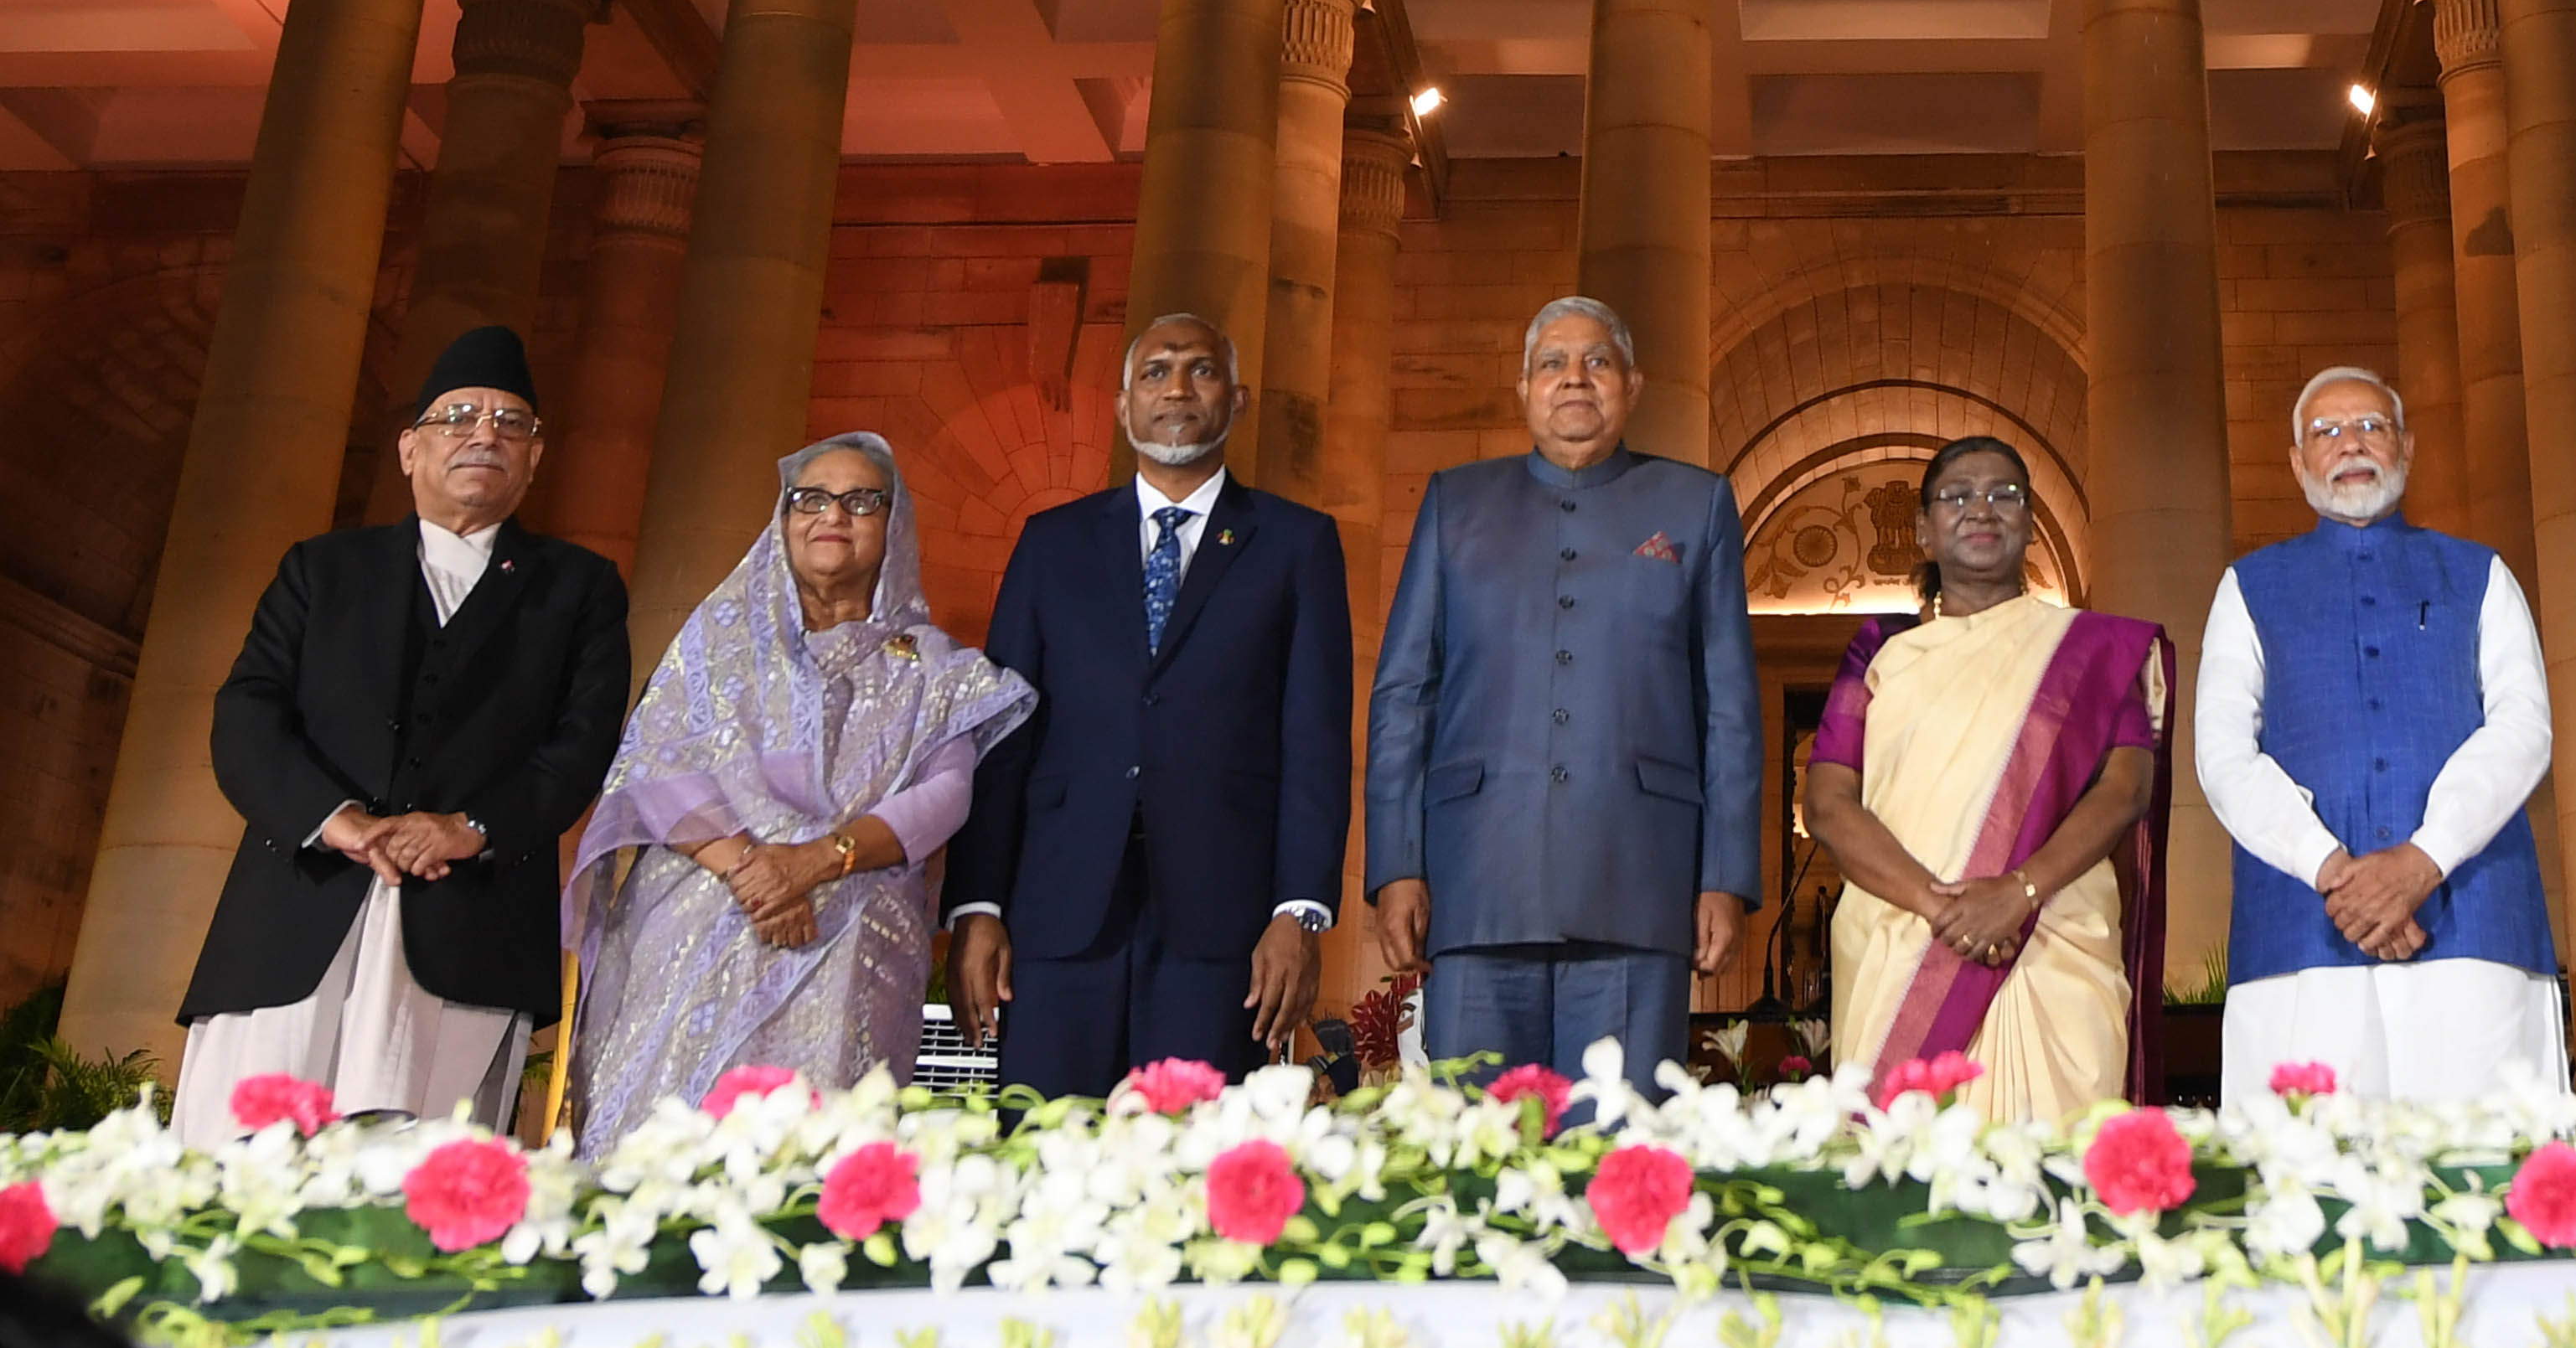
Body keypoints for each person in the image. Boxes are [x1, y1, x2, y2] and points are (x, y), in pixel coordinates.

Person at [173, 326, 630, 1138]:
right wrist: (335, 819)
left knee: (416, 1194)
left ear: (535, 458)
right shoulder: (321, 569)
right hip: (293, 915)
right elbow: (247, 714)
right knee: (235, 1172)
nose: (486, 432)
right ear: (409, 449)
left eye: (511, 422)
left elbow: (582, 744)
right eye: (459, 415)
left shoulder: (581, 589)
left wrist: (469, 827)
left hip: (470, 923)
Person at [561, 436, 1035, 1149]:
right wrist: (753, 873)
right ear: (782, 520)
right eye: (809, 499)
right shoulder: (714, 646)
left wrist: (813, 863)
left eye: (860, 501)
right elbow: (654, 767)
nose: (831, 516)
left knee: (812, 1166)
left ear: (893, 525)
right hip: (699, 925)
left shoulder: (938, 670)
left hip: (848, 938)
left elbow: (946, 795)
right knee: (660, 1150)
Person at [948, 313, 1353, 1097]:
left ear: (1236, 400)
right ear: (1122, 405)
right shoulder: (1050, 542)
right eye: (1156, 371)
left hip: (1222, 921)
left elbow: (1315, 740)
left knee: (1195, 1178)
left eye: (1200, 370)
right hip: (1057, 912)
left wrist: (1298, 912)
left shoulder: (1297, 543)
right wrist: (977, 902)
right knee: (1045, 1162)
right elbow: (998, 738)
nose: (1177, 388)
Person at [1365, 297, 1760, 1094]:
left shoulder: (1696, 505)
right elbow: (1406, 692)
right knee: (1479, 1161)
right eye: (1553, 362)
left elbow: (1729, 707)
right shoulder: (1456, 503)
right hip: (1476, 881)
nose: (1574, 378)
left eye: (1597, 362)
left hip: (1640, 881)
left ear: (1633, 385)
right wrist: (1395, 864)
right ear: (1523, 389)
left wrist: (1726, 875)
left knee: (1621, 1164)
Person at [2192, 369, 2562, 1104]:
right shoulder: (2248, 586)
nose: (2351, 444)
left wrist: (2423, 861)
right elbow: (2225, 754)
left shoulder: (2479, 573)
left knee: (2480, 1179)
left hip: (2471, 918)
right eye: (2326, 433)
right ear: (2297, 464)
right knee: (2312, 1185)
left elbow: (2523, 726)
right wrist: (2334, 871)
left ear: (2407, 448)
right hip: (2304, 927)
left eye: (2372, 426)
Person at [1797, 436, 2170, 1116]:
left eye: (2005, 495)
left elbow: (2125, 790)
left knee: (2060, 1175)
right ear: (1923, 531)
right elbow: (1827, 804)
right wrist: (1944, 908)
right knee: (1906, 1188)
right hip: (1904, 941)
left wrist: (2019, 892)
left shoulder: (2094, 650)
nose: (1982, 509)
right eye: (1958, 496)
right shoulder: (1880, 652)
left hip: (2052, 933)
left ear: (2030, 524)